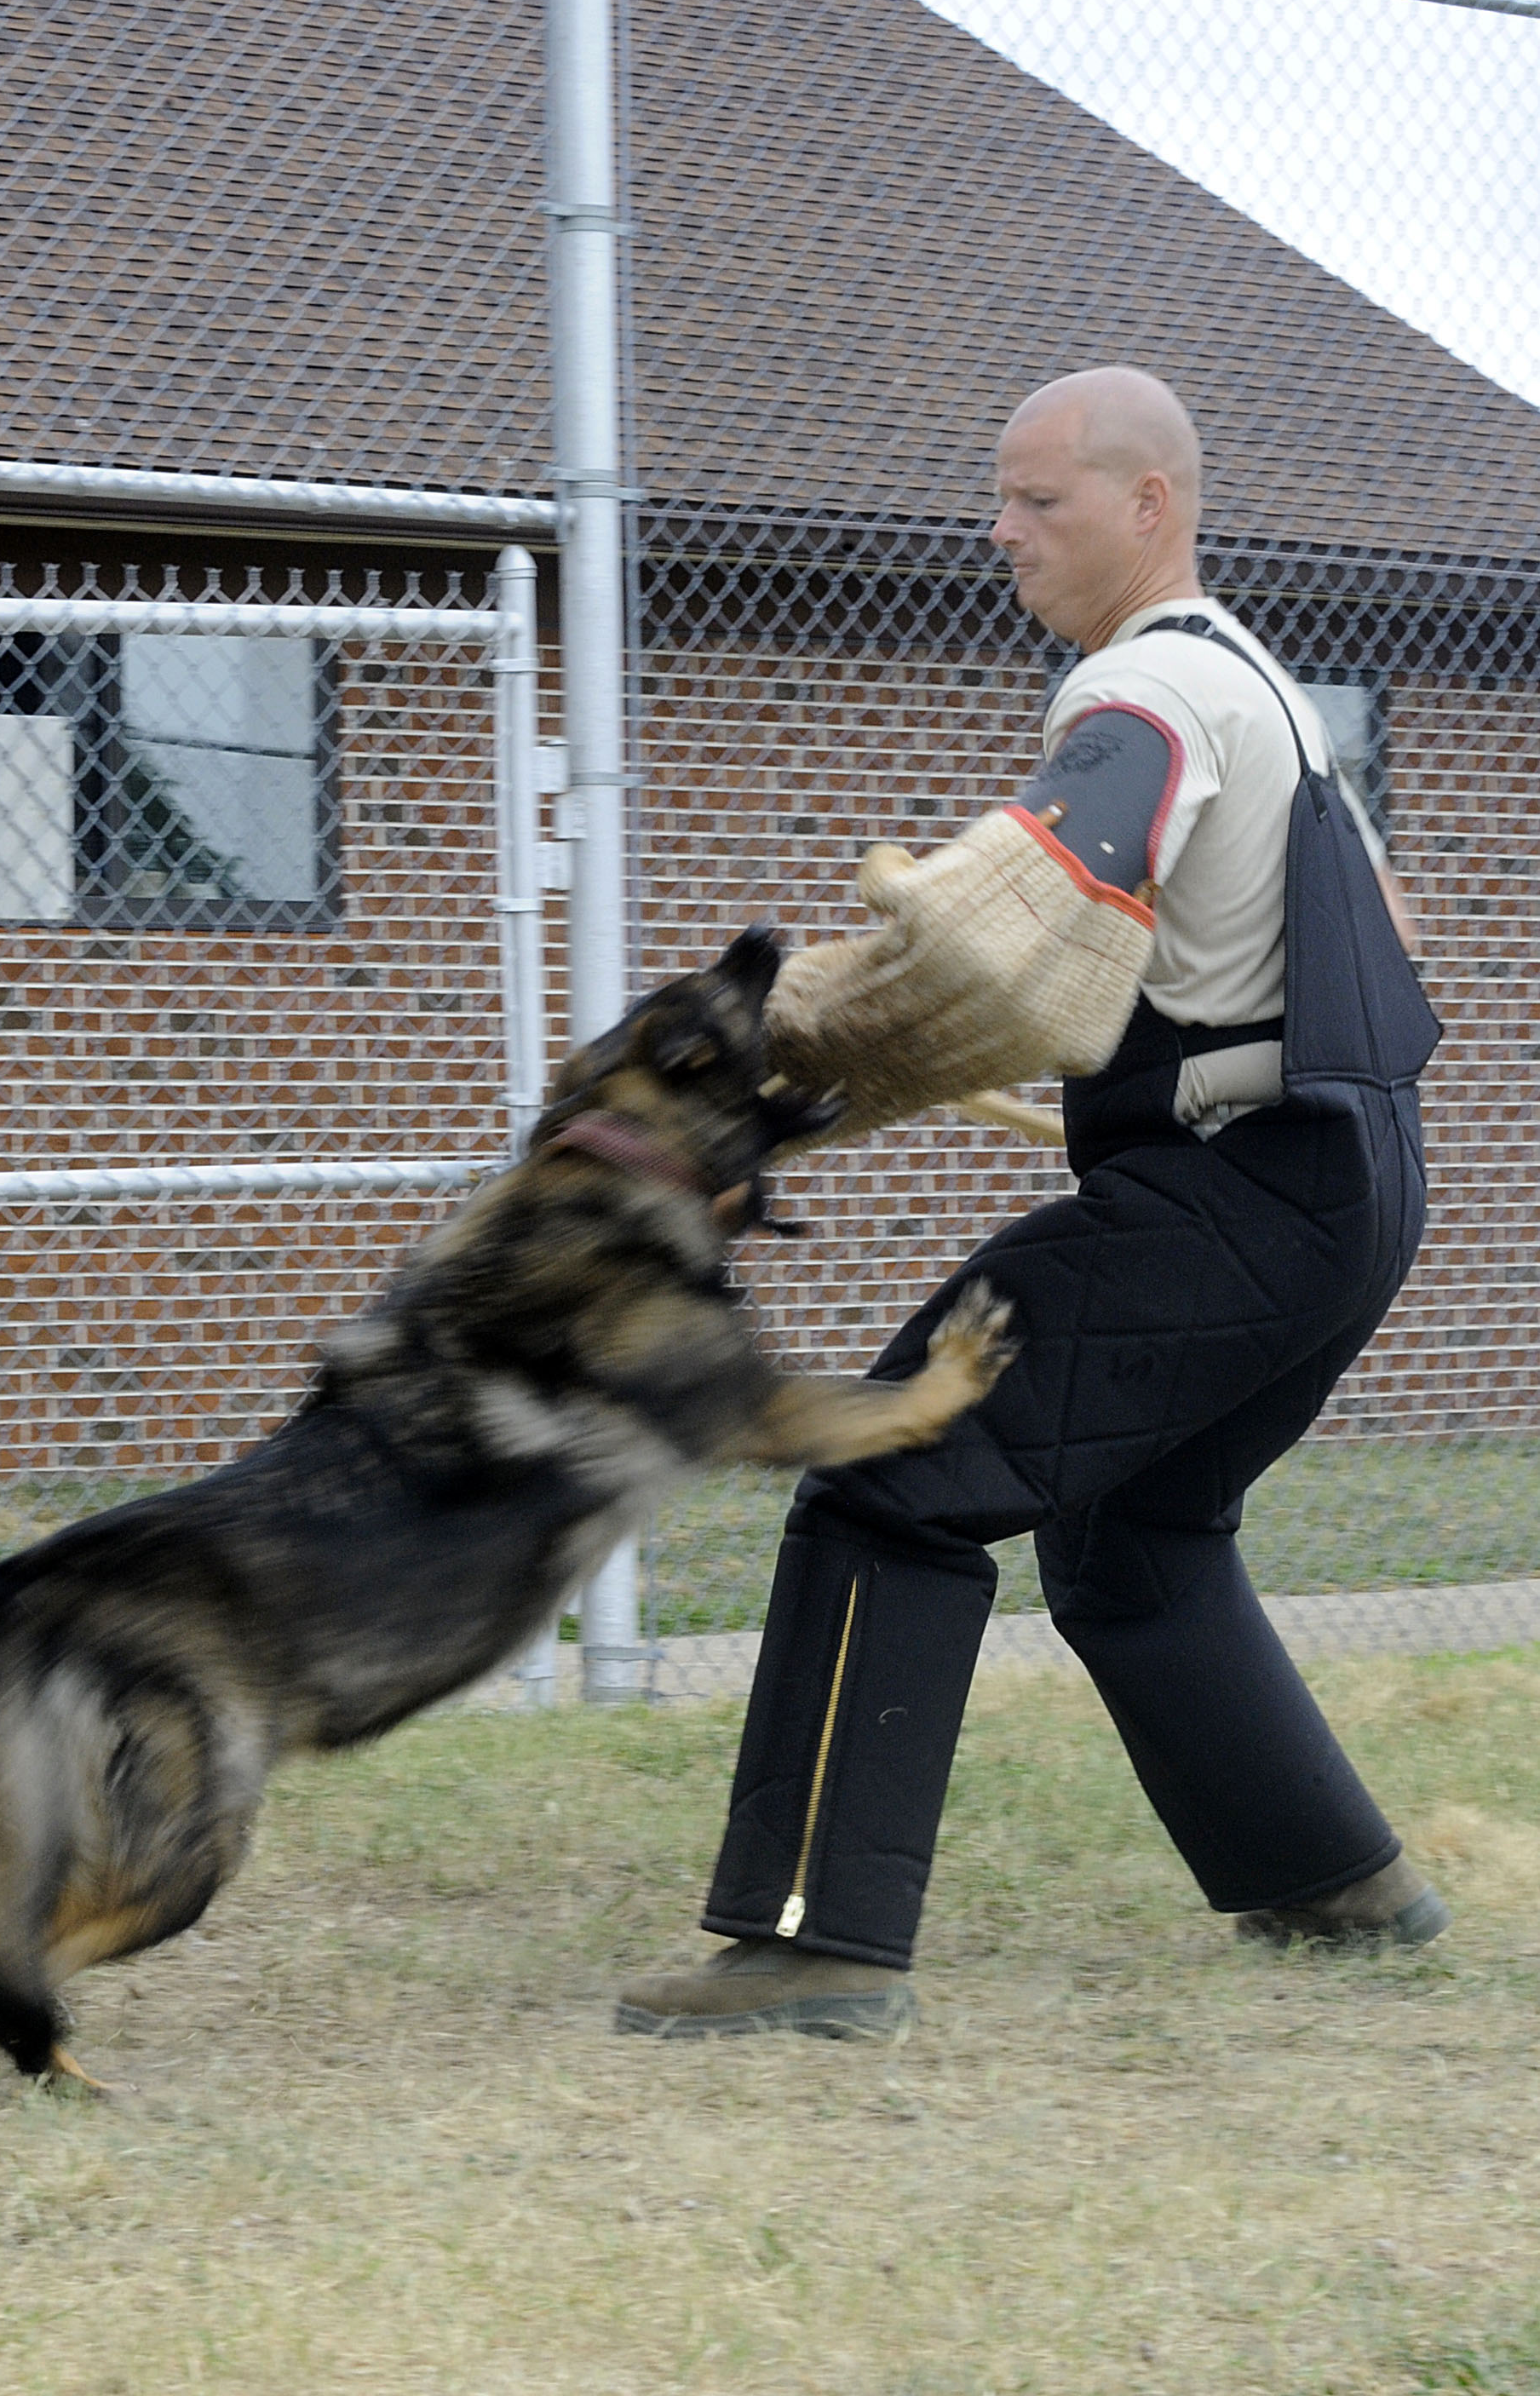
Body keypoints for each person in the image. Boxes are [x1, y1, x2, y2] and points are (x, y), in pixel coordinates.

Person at [617, 365, 1447, 2043]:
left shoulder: (1134, 694)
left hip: (1231, 1194)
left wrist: (779, 1029)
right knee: (1134, 1540)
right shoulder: (1261, 688)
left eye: (1036, 500)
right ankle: (1336, 1886)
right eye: (998, 496)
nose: (998, 529)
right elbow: (1395, 935)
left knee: (890, 1474)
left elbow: (1027, 906)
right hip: (1347, 1187)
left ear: (1148, 507)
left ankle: (812, 1948)